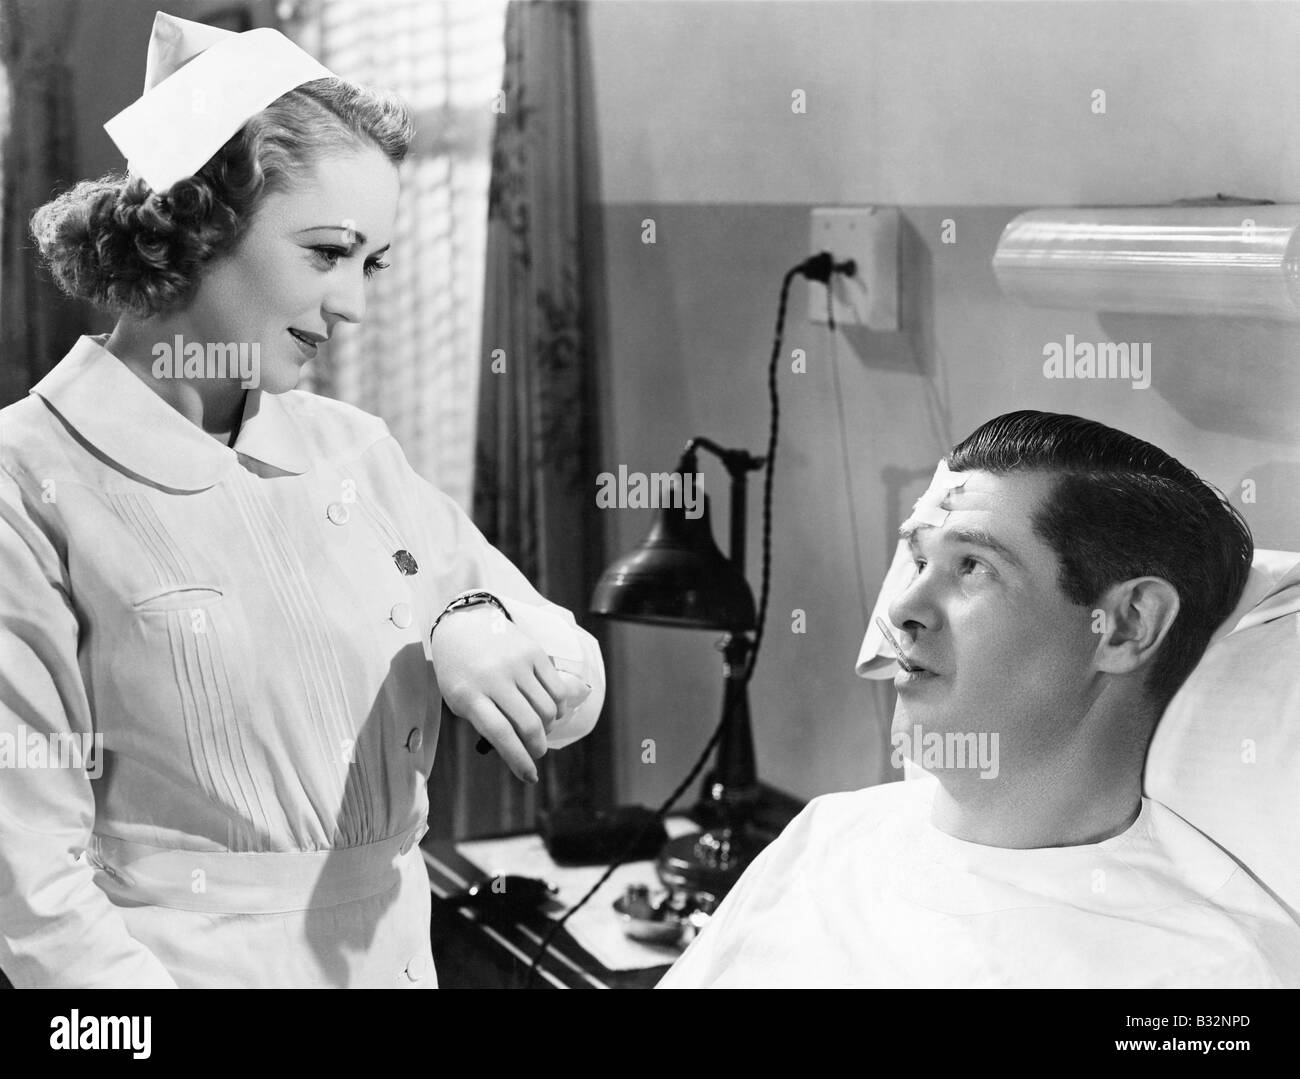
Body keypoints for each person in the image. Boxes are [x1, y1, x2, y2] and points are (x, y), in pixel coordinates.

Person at [0, 13, 603, 989]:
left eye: (374, 262)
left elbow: (572, 681)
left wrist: (474, 615)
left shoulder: (351, 451)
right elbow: (29, 898)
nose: (356, 302)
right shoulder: (27, 483)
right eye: (326, 252)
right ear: (194, 223)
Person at [659, 410, 1300, 988]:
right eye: (917, 561)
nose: (902, 610)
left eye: (973, 567)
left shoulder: (1207, 976)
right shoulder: (826, 838)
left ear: (1128, 625)